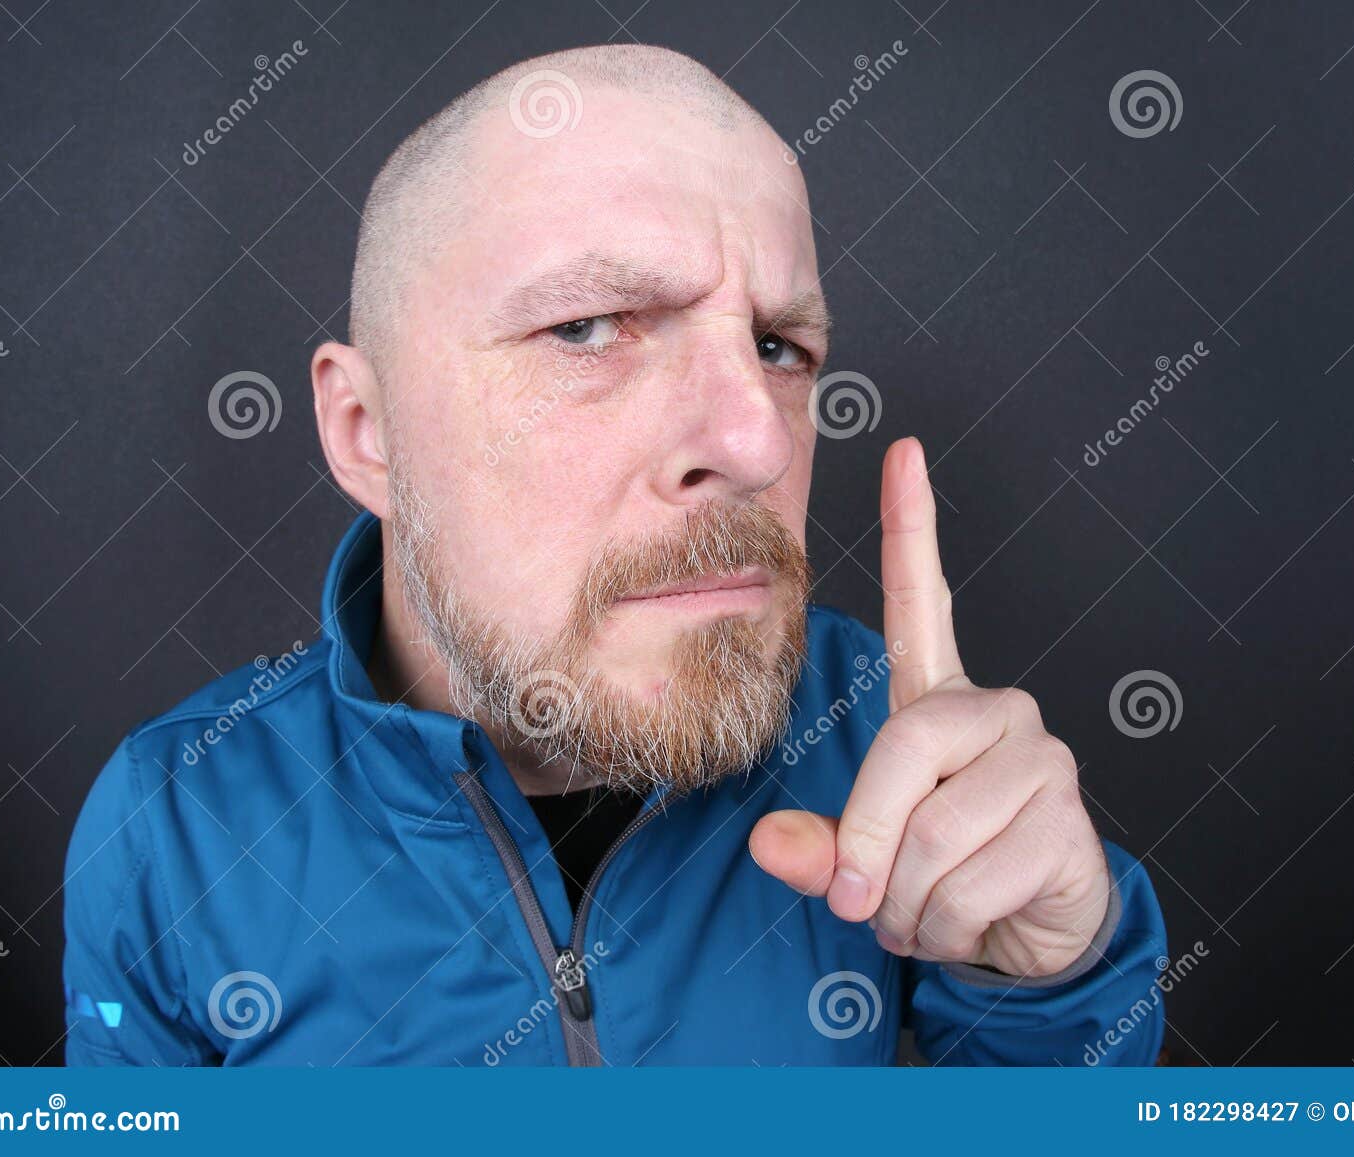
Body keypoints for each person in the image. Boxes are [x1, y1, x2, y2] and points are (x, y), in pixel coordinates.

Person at [62, 44, 1166, 1066]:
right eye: (590, 327)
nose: (757, 440)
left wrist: (1053, 980)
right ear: (367, 430)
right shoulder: (179, 818)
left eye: (779, 346)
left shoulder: (891, 750)